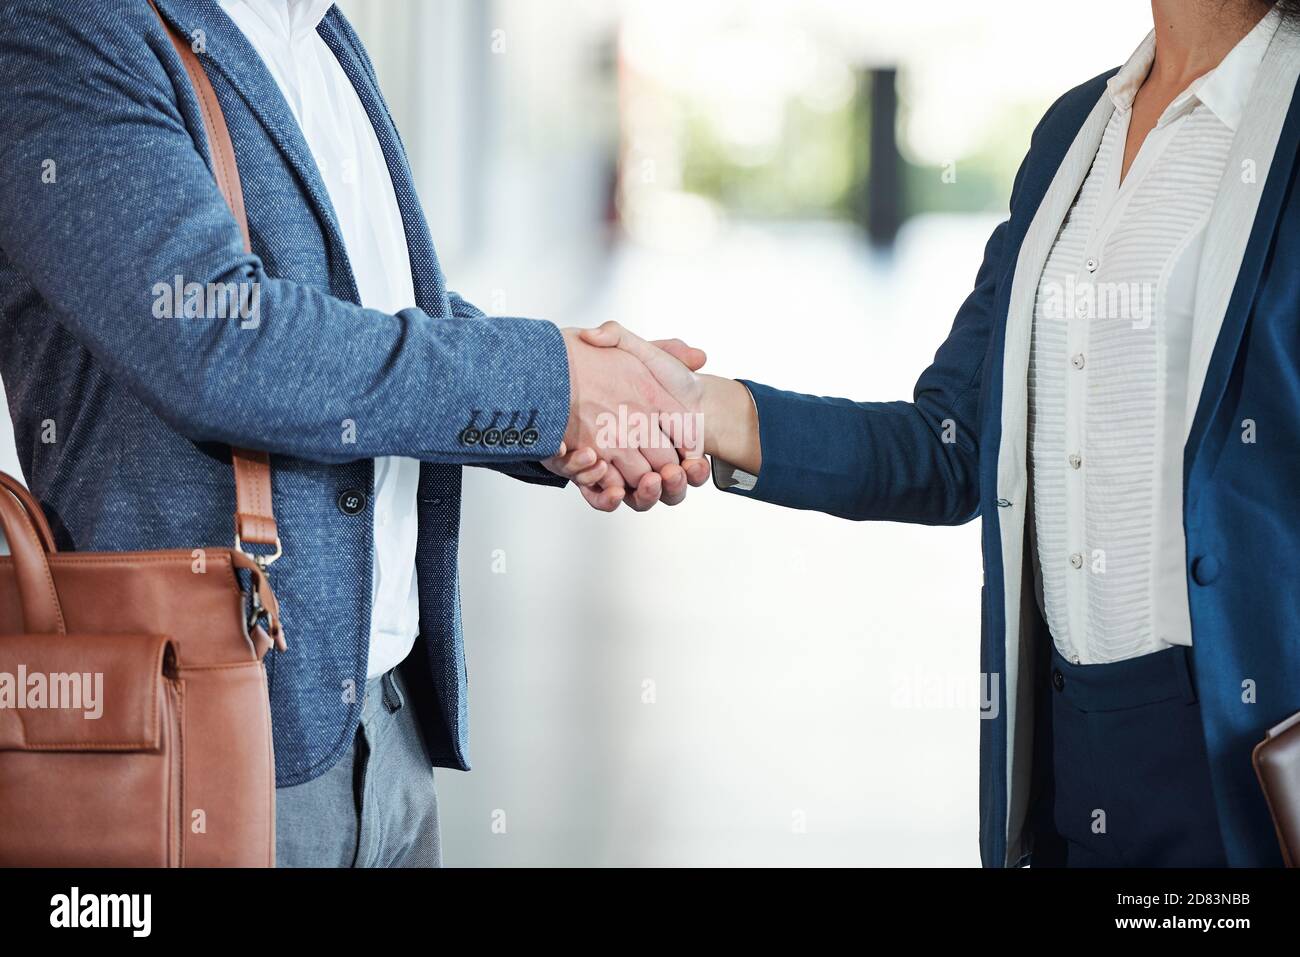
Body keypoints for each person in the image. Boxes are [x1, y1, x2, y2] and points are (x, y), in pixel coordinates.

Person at [588, 0, 1300, 867]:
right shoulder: (1078, 128)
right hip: (1075, 762)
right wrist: (697, 405)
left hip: (1245, 766)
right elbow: (953, 445)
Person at [0, 0, 705, 866]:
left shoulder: (325, 38)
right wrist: (555, 385)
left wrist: (560, 417)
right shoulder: (69, 25)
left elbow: (373, 323)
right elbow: (221, 339)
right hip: (203, 734)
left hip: (388, 724)